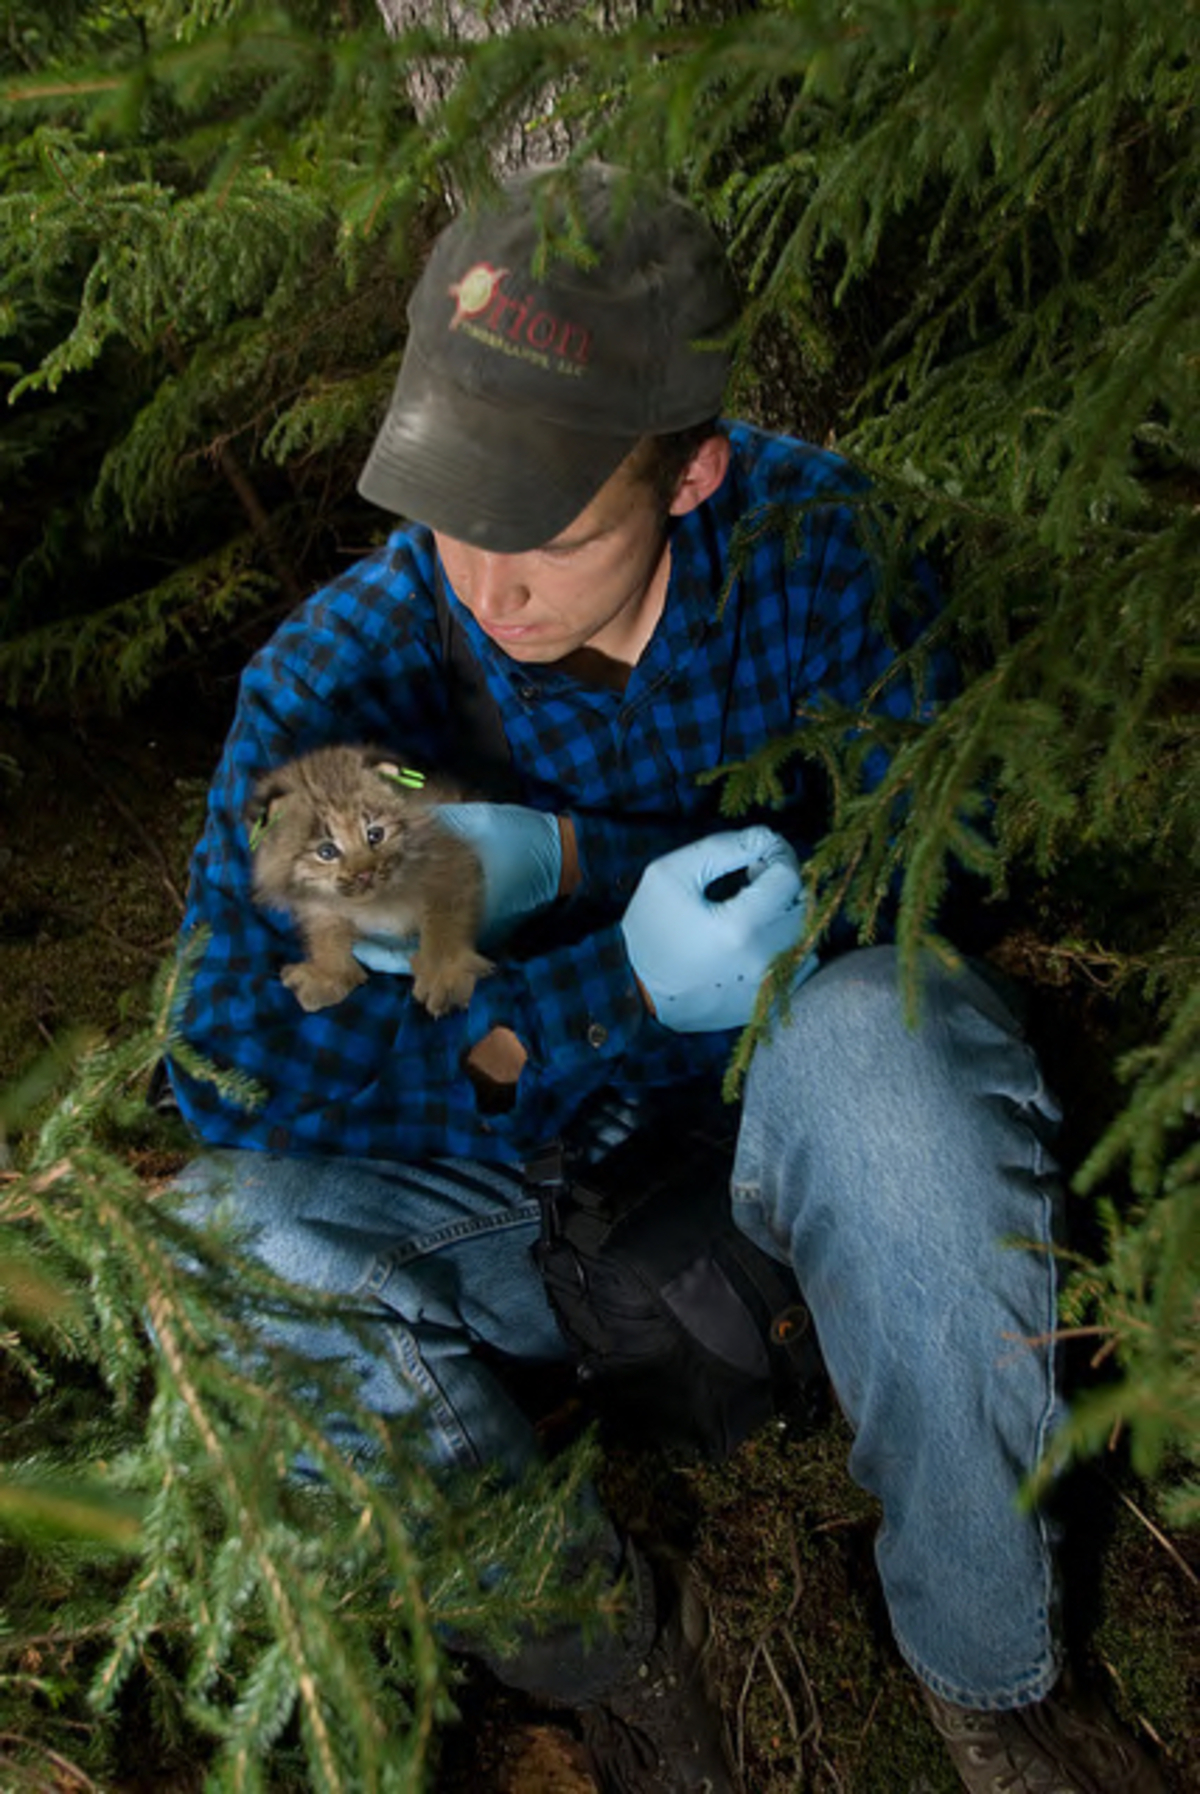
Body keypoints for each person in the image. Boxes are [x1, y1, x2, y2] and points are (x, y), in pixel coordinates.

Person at [169, 164, 1166, 1794]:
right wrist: (601, 985)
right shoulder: (337, 685)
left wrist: (580, 860)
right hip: (525, 1195)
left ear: (692, 471)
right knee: (238, 1236)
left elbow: (959, 848)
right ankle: (607, 1657)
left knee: (883, 1046)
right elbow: (231, 1074)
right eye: (452, 508)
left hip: (816, 1146)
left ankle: (990, 1679)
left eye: (554, 533)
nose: (489, 587)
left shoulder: (829, 552)